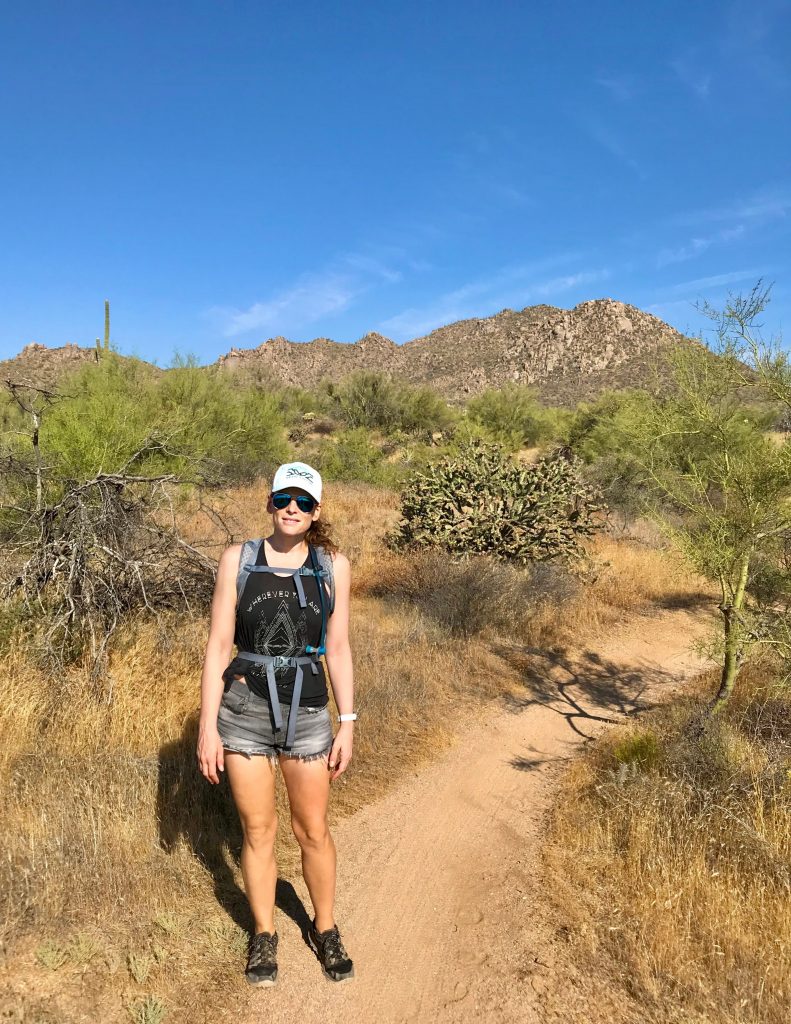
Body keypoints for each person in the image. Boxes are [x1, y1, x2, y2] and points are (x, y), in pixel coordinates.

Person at [197, 460, 356, 986]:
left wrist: (348, 720)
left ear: (317, 510)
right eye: (285, 498)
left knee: (311, 829)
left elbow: (337, 648)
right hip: (243, 712)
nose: (293, 508)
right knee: (258, 830)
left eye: (304, 502)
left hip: (309, 712)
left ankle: (325, 928)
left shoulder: (333, 565)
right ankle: (264, 933)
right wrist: (206, 726)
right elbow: (220, 644)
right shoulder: (238, 560)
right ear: (270, 502)